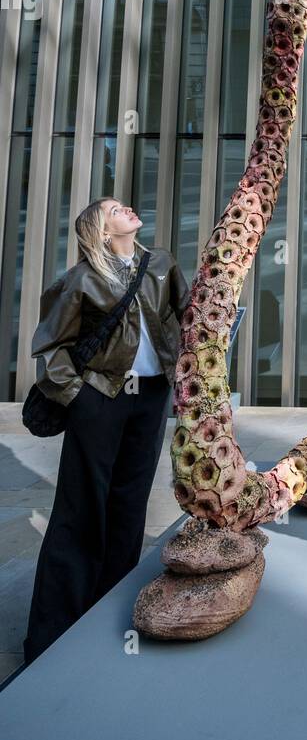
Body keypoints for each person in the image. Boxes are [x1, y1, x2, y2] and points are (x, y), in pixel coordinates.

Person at [22, 197, 191, 665]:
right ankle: (51, 635)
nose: (128, 210)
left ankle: (107, 617)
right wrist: (76, 397)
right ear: (99, 228)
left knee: (129, 504)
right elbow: (50, 346)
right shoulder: (80, 280)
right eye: (116, 209)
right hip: (100, 397)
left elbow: (189, 314)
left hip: (151, 396)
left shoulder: (159, 263)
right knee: (83, 506)